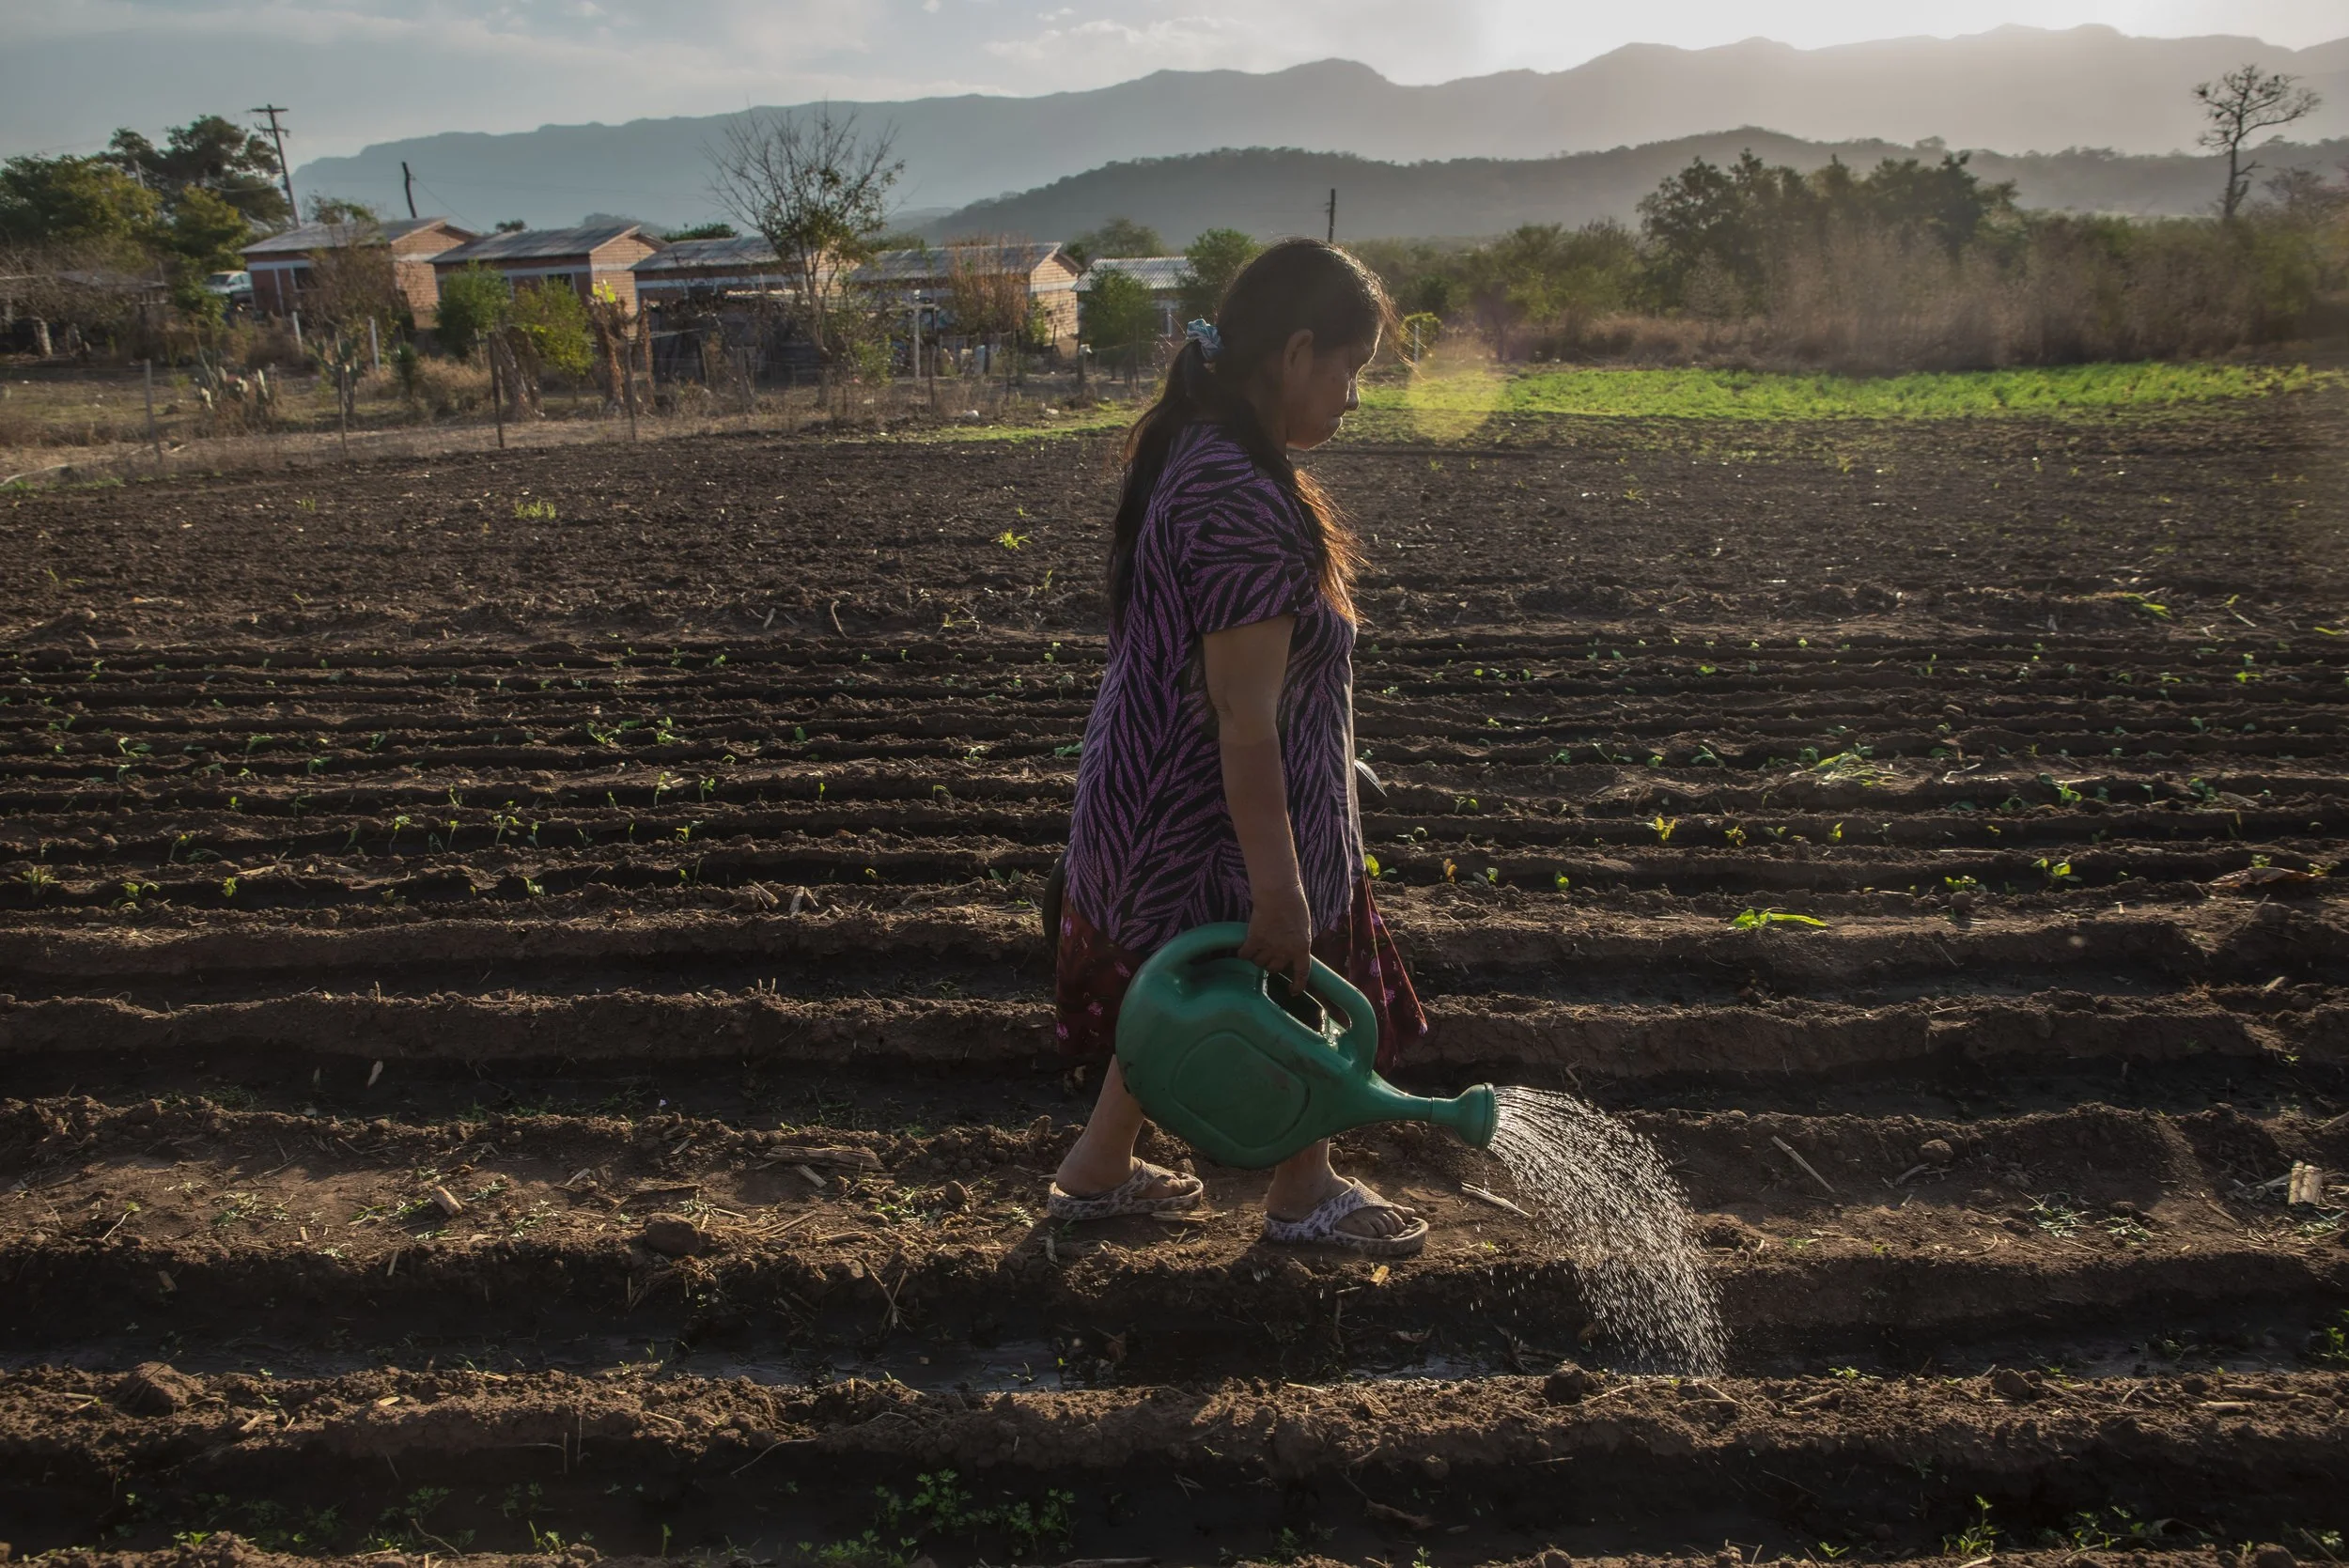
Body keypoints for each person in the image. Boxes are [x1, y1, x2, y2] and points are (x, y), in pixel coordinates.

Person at [1046, 239, 1432, 1257]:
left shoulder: (1212, 452)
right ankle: (1304, 1192)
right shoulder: (1236, 497)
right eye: (1350, 369)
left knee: (1182, 986)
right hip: (1207, 830)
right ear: (1296, 351)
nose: (1354, 397)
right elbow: (1241, 715)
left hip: (1168, 811)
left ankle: (1095, 1172)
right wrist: (1279, 887)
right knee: (1271, 981)